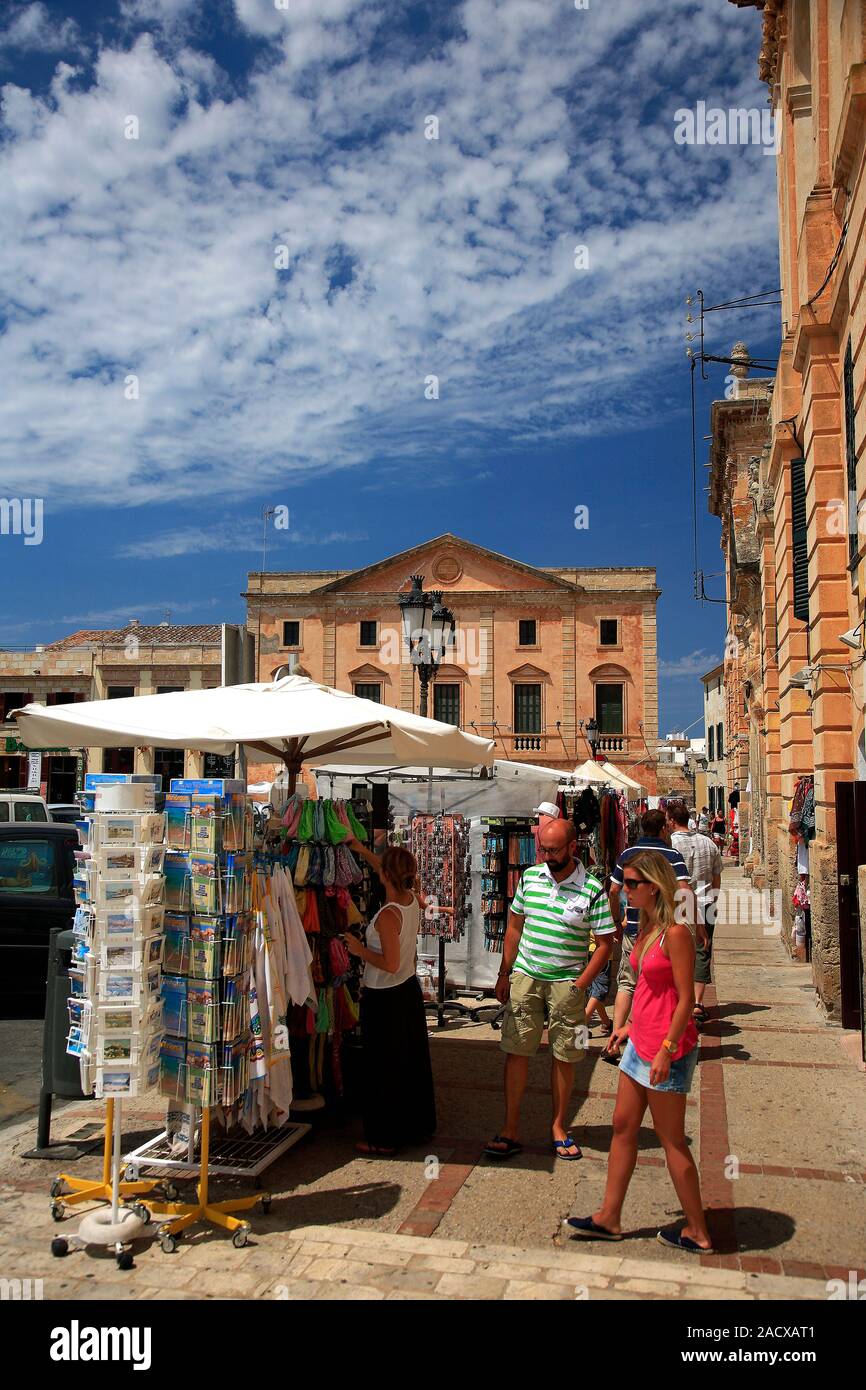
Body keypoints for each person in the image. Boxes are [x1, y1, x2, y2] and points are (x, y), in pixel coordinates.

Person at [564, 850, 713, 1253]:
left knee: (671, 1140)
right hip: (639, 1044)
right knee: (622, 1126)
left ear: (654, 886)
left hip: (667, 1048)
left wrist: (665, 1049)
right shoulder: (647, 927)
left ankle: (698, 1231)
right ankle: (609, 1217)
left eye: (632, 884)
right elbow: (648, 988)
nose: (624, 890)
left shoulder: (676, 934)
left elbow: (684, 1000)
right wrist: (627, 1026)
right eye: (624, 883)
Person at [485, 818, 614, 1161]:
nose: (546, 855)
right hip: (526, 977)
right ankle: (510, 1127)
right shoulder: (530, 877)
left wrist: (580, 985)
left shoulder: (592, 889)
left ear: (573, 847)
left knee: (565, 1055)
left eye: (554, 849)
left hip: (566, 984)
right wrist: (504, 973)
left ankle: (558, 1126)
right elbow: (515, 926)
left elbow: (605, 944)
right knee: (517, 1050)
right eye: (543, 848)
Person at [342, 840, 435, 1156]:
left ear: (385, 875)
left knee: (384, 1068)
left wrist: (359, 950)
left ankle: (384, 1137)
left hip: (386, 996)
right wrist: (357, 847)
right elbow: (383, 864)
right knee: (406, 1064)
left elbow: (390, 963)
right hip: (405, 993)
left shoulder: (386, 916)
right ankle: (411, 1127)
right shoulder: (411, 901)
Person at [603, 810, 694, 1067]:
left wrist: (616, 918)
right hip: (654, 929)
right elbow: (685, 892)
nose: (631, 889)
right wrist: (688, 923)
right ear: (664, 828)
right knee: (655, 986)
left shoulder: (627, 854)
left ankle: (614, 1038)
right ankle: (631, 1033)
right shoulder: (672, 855)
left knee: (627, 984)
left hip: (635, 928)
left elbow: (613, 890)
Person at [666, 799, 722, 1025]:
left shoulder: (669, 844)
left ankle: (678, 1001)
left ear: (671, 821)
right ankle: (698, 1003)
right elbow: (717, 874)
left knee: (674, 952)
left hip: (678, 905)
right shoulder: (708, 843)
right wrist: (713, 898)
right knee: (702, 951)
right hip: (706, 902)